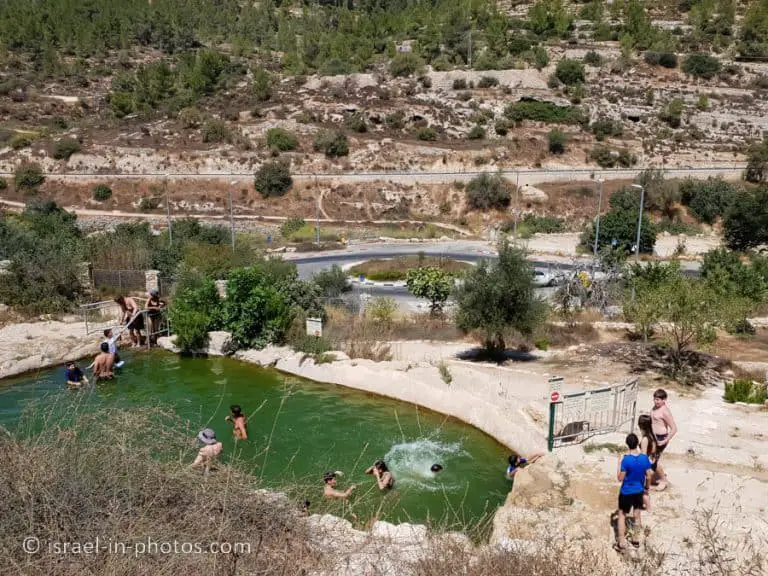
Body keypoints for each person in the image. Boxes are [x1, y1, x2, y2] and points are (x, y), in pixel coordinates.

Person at [615, 433, 653, 552]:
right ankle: (635, 539)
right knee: (637, 515)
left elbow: (620, 478)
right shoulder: (644, 458)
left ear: (627, 444)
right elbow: (649, 475)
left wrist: (619, 463)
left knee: (622, 515)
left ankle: (621, 541)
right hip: (638, 491)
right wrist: (646, 488)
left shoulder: (626, 460)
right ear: (637, 443)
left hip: (626, 491)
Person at [651, 389, 677, 490]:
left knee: (654, 461)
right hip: (653, 437)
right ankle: (654, 476)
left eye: (658, 400)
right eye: (655, 399)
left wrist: (665, 440)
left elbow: (674, 428)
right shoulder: (654, 408)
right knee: (649, 458)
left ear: (664, 400)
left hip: (661, 438)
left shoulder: (665, 412)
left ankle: (663, 480)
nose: (656, 402)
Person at [638, 414, 661, 502]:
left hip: (647, 468)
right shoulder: (653, 435)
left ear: (640, 426)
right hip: (653, 464)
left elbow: (643, 457)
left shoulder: (645, 439)